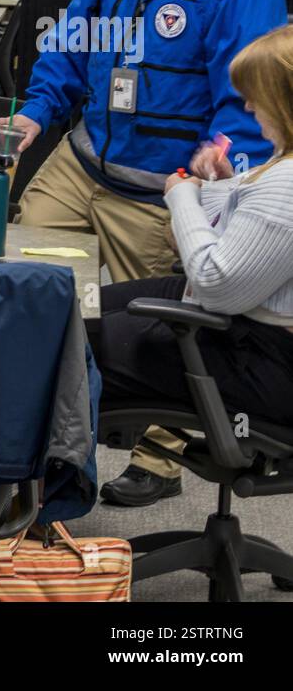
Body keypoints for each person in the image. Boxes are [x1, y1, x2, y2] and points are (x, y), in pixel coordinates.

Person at [0, 0, 288, 506]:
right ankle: (21, 430)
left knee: (160, 327)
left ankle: (159, 456)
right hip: (82, 159)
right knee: (20, 282)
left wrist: (216, 164)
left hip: (158, 188)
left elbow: (247, 100)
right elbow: (74, 35)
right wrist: (36, 111)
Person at [91, 26, 293, 446]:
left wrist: (181, 196)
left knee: (66, 354)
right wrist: (218, 189)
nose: (250, 105)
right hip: (250, 326)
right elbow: (247, 234)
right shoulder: (282, 163)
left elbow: (216, 284)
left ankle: (32, 494)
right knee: (74, 315)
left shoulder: (287, 184)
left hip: (264, 360)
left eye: (258, 94)